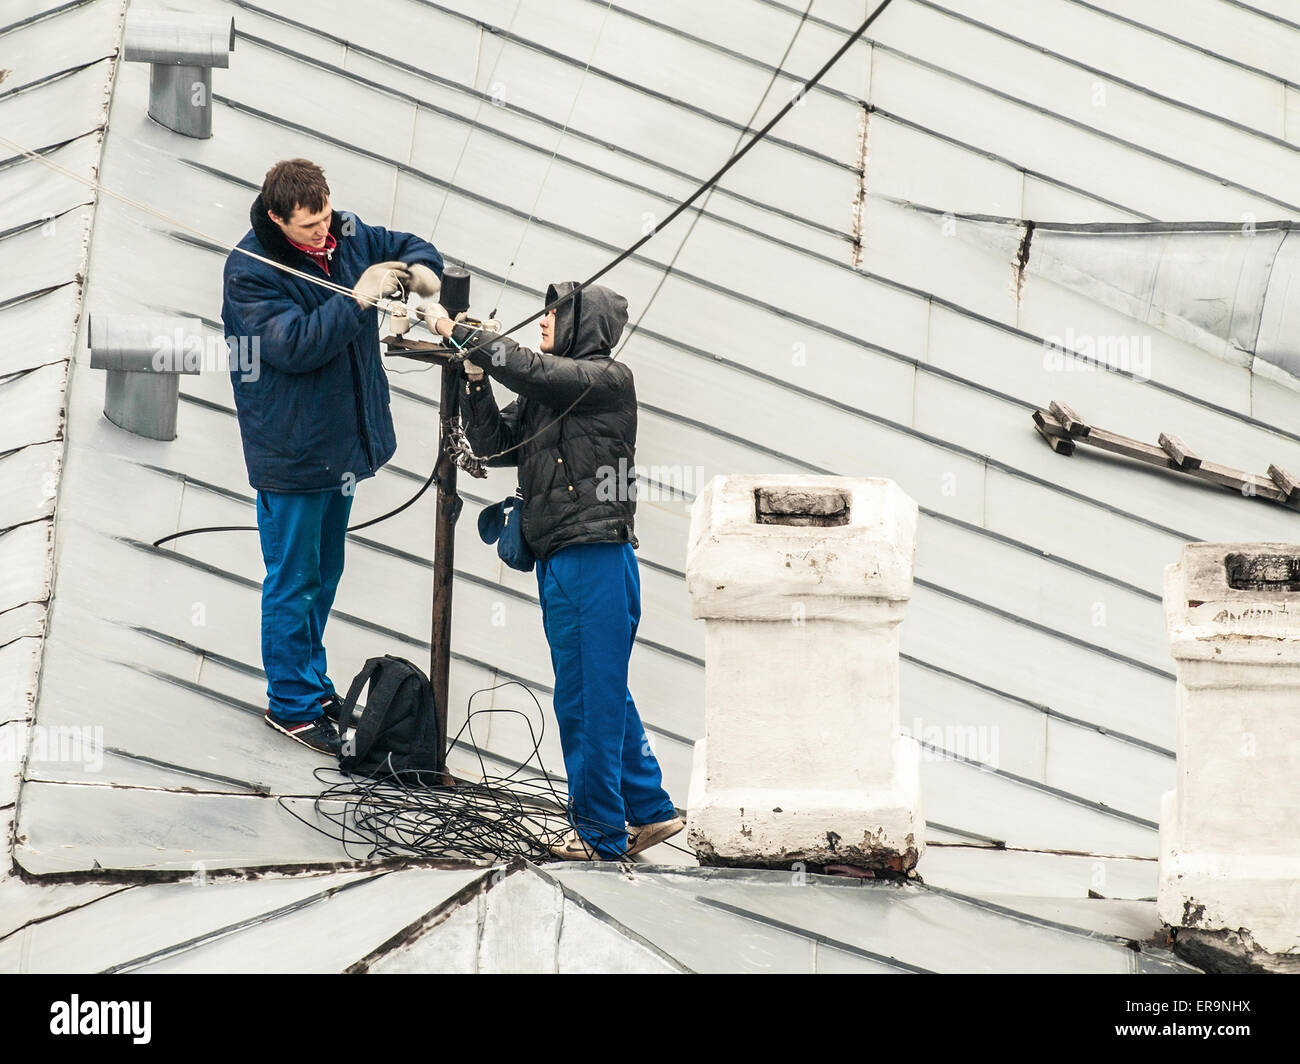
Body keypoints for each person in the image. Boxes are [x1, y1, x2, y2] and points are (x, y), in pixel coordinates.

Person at [418, 283, 683, 860]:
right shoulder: (549, 394)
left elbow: (533, 370)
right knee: (603, 691)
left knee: (585, 699)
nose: (543, 321)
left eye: (553, 313)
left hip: (592, 558)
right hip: (570, 558)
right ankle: (649, 810)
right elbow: (492, 446)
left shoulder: (607, 379)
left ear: (581, 325)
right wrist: (475, 382)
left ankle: (599, 835)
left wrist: (459, 332)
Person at [221, 158, 445, 755]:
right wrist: (359, 296)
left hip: (340, 447)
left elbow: (403, 243)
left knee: (326, 572)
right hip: (293, 453)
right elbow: (297, 346)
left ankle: (313, 682)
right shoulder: (250, 272)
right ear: (276, 218)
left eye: (325, 218)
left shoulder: (342, 234)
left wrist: (422, 272)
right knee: (293, 579)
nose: (323, 233)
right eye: (308, 227)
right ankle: (291, 702)